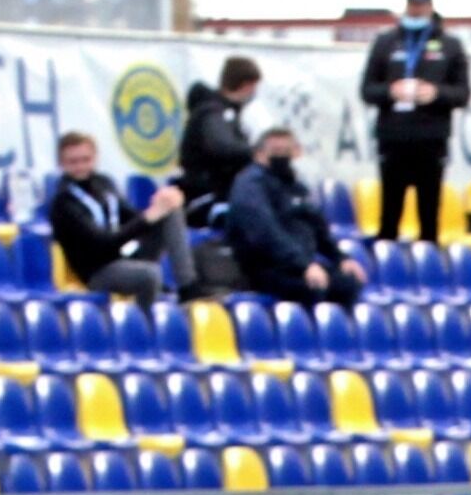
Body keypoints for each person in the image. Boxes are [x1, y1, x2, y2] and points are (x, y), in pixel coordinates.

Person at [359, 0, 471, 244]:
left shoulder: (450, 45)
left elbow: (463, 93)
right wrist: (391, 91)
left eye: (421, 5)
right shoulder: (386, 42)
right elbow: (367, 90)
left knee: (429, 213)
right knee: (390, 212)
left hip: (431, 138)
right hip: (393, 137)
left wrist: (436, 94)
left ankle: (428, 260)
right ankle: (386, 258)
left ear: (430, 6)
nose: (416, 10)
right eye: (412, 4)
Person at [49, 132, 204, 306]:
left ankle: (188, 286)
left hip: (123, 255)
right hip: (98, 271)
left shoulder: (104, 184)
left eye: (86, 160)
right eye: (73, 162)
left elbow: (130, 217)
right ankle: (143, 319)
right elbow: (102, 244)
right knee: (149, 274)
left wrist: (161, 205)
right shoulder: (63, 202)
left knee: (170, 210)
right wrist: (148, 217)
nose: (80, 166)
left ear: (95, 158)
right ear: (61, 164)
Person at [226, 130, 365, 309]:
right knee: (313, 288)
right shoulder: (251, 184)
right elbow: (265, 233)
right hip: (268, 269)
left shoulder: (296, 187)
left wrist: (341, 258)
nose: (282, 156)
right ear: (259, 153)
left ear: (297, 152)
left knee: (349, 284)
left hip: (302, 265)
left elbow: (318, 228)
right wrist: (303, 265)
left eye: (287, 150)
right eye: (276, 151)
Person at [177, 55, 261, 222]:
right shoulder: (213, 114)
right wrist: (257, 153)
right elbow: (222, 148)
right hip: (208, 192)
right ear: (246, 85)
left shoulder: (226, 114)